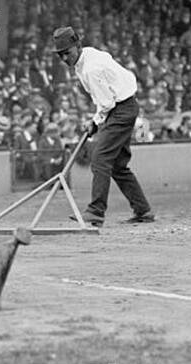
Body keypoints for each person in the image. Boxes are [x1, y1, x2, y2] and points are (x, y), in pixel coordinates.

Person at [51, 25, 154, 226]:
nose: (64, 59)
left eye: (67, 53)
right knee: (117, 165)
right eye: (60, 55)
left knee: (99, 159)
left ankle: (96, 211)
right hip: (122, 106)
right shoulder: (87, 55)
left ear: (77, 46)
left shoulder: (90, 68)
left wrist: (95, 122)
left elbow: (106, 103)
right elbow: (104, 99)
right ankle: (143, 210)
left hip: (121, 109)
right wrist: (96, 121)